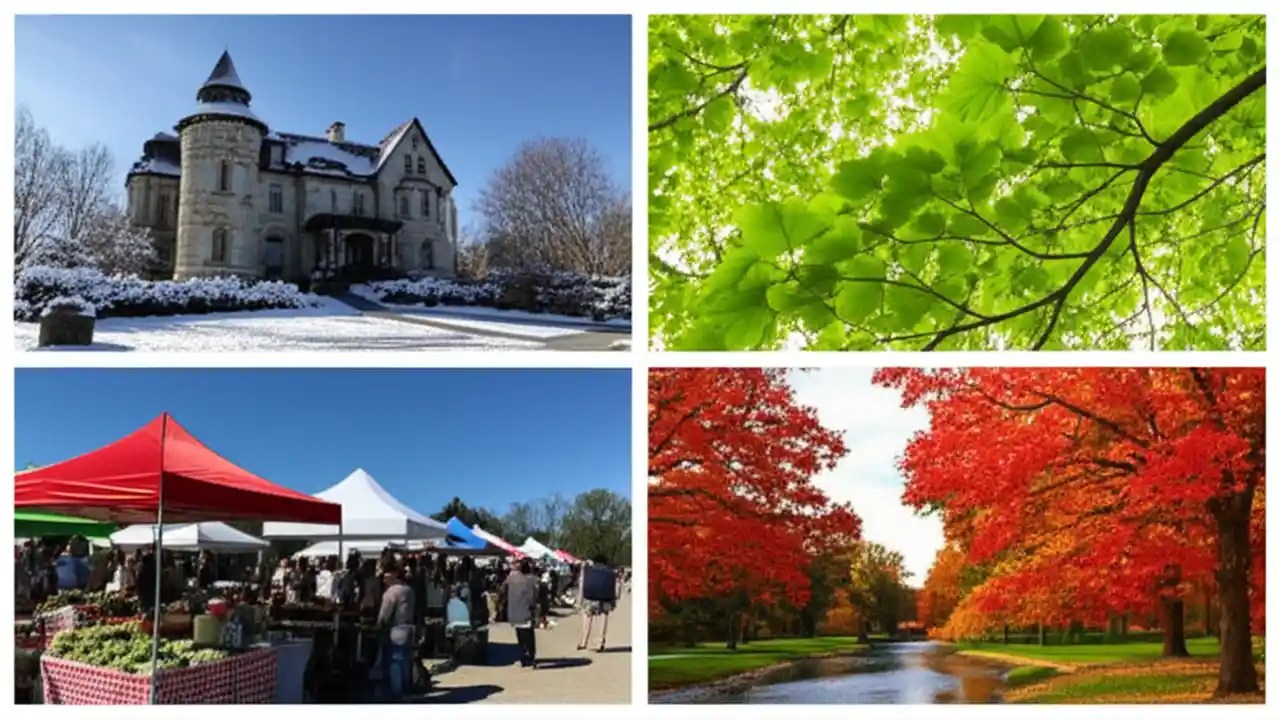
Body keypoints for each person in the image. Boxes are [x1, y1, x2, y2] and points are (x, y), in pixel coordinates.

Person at [376, 563, 415, 701]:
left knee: (394, 662)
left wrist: (379, 626)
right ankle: (405, 691)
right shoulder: (408, 590)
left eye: (386, 575)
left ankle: (396, 693)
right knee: (404, 661)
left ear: (393, 575)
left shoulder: (391, 593)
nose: (383, 579)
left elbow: (384, 614)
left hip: (396, 629)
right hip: (409, 628)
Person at [502, 558, 539, 668]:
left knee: (520, 637)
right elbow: (532, 599)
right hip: (526, 612)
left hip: (514, 612)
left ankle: (523, 657)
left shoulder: (510, 579)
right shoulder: (530, 581)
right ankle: (531, 658)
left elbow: (503, 592)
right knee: (529, 637)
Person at [577, 555, 616, 652]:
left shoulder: (588, 570)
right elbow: (613, 587)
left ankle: (584, 642)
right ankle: (600, 643)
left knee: (587, 618)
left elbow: (582, 584)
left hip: (589, 598)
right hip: (605, 599)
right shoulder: (610, 572)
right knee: (603, 619)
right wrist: (613, 601)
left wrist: (580, 600)